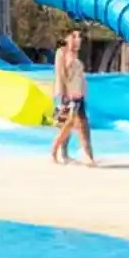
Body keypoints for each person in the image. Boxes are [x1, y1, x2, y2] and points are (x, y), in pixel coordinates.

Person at [50, 26, 95, 166]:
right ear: (67, 37)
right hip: (68, 95)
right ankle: (58, 152)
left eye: (79, 36)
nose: (78, 39)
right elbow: (61, 74)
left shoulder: (74, 53)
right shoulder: (62, 52)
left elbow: (78, 77)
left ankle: (87, 155)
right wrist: (64, 94)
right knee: (66, 126)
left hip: (78, 95)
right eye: (75, 36)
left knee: (82, 125)